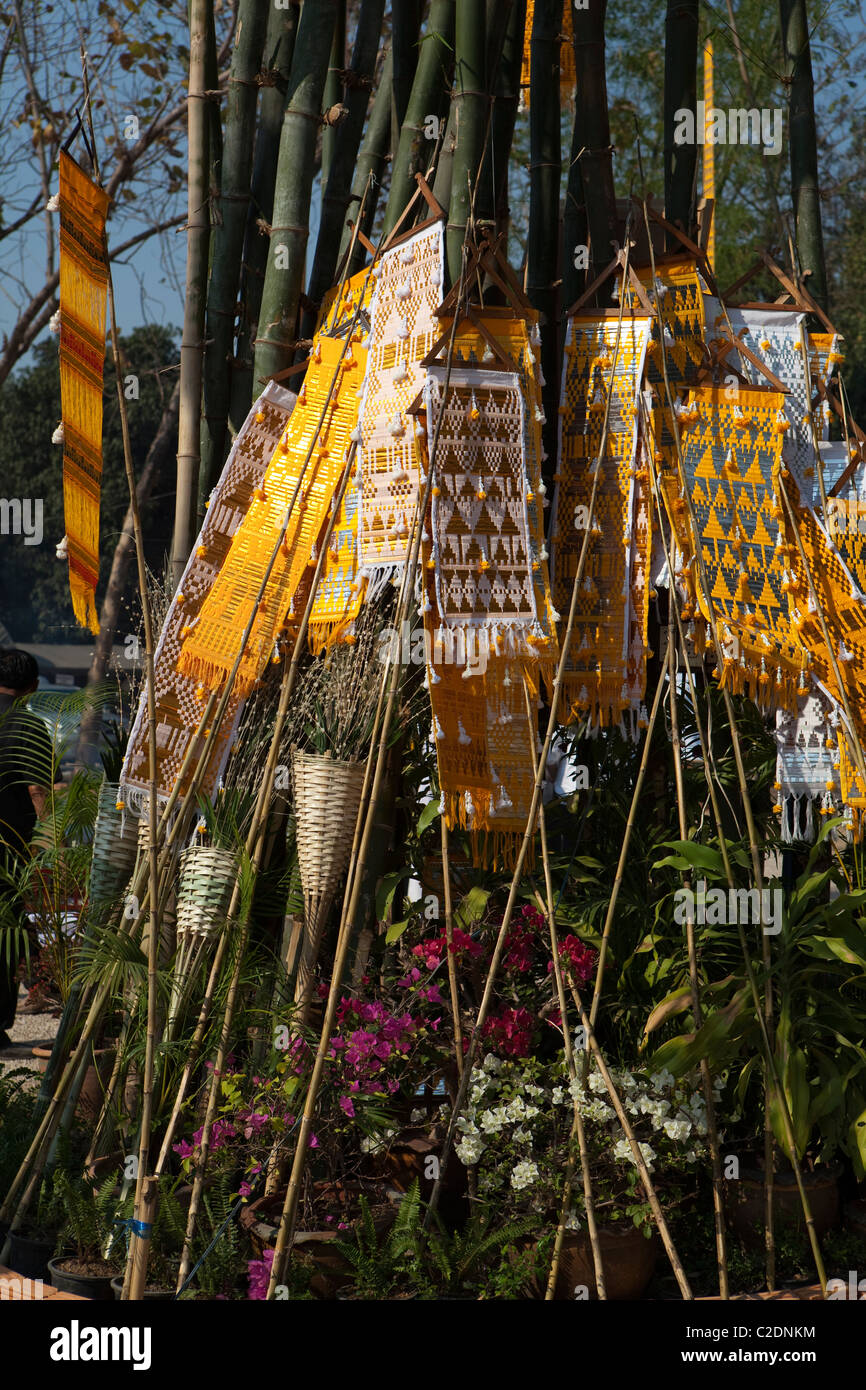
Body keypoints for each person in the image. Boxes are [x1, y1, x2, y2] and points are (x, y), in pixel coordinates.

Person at [0, 649, 53, 1049]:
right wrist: (52, 843)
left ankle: (40, 984)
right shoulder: (29, 726)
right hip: (8, 847)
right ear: (32, 688)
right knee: (7, 929)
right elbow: (37, 789)